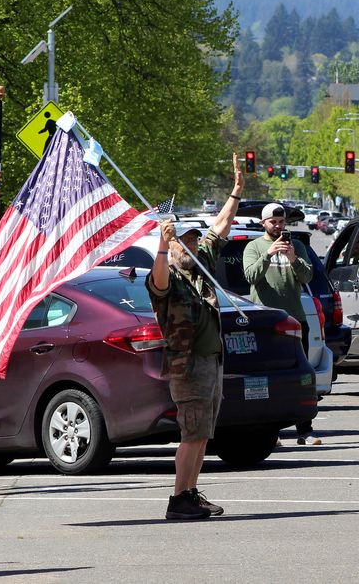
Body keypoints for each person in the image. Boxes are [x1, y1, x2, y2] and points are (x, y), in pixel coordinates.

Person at [148, 157, 243, 521]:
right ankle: (178, 499)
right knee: (191, 433)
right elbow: (157, 280)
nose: (188, 247)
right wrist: (161, 244)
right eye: (182, 243)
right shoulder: (167, 280)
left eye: (191, 242)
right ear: (172, 251)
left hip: (211, 362)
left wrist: (236, 190)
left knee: (202, 433)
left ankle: (190, 492)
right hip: (187, 368)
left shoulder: (199, 267)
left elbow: (220, 226)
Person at [242, 202, 319, 445]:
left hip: (295, 320)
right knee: (265, 380)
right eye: (273, 222)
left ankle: (305, 431)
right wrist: (269, 253)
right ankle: (270, 434)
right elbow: (250, 276)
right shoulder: (253, 247)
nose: (278, 226)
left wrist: (293, 257)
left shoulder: (295, 246)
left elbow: (307, 276)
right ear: (263, 223)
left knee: (300, 376)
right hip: (265, 323)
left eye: (282, 222)